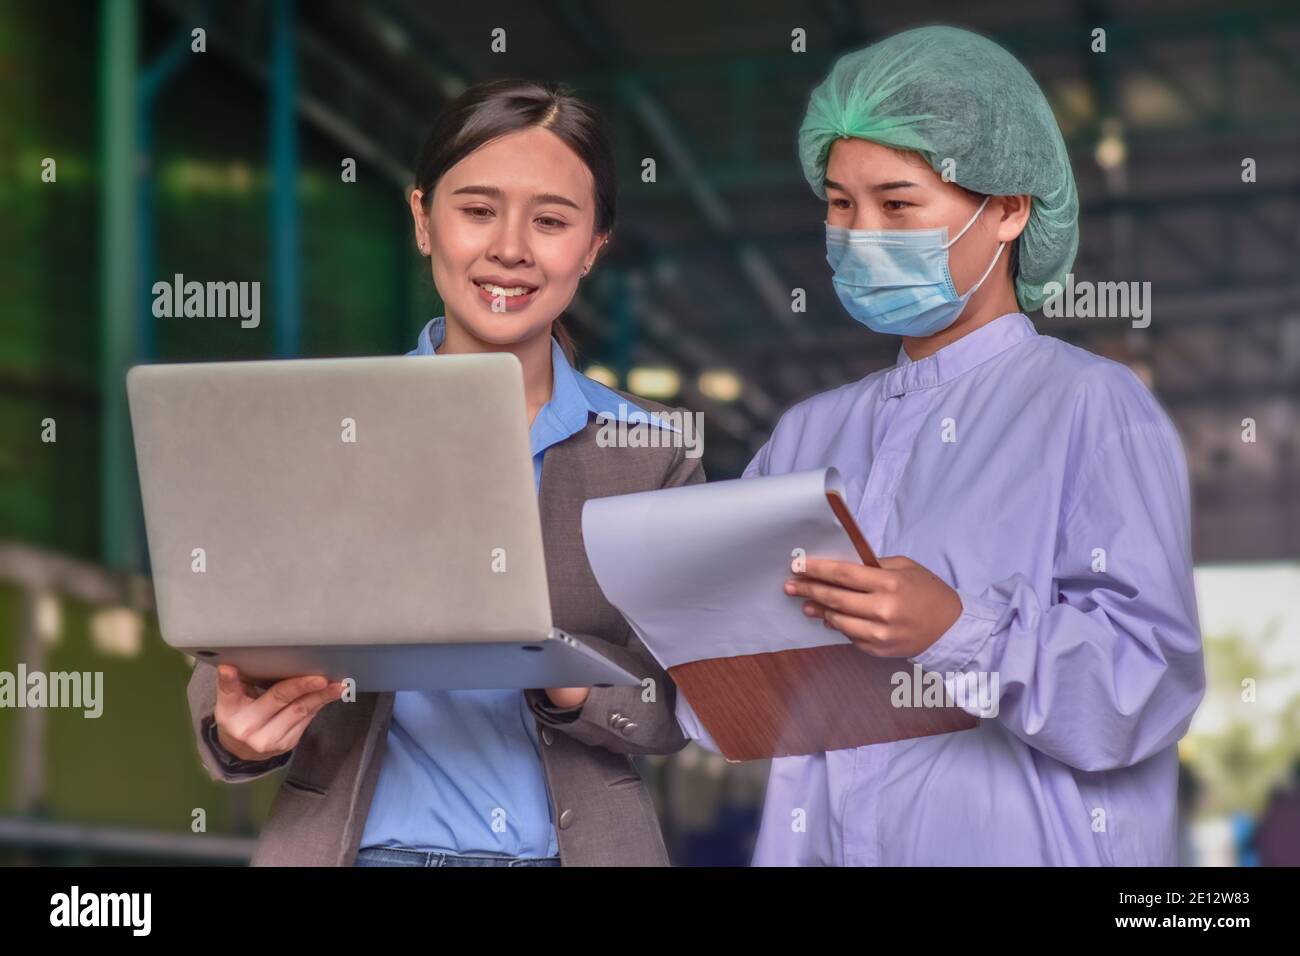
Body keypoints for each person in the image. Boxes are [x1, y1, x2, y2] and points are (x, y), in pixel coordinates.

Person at [677, 25, 1205, 865]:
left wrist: (960, 629)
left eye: (897, 205)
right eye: (840, 205)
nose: (861, 234)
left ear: (1009, 210)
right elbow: (729, 708)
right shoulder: (808, 434)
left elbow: (1143, 690)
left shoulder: (1091, 407)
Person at [187, 78, 700, 867]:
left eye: (552, 221)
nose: (510, 249)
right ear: (424, 220)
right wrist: (235, 733)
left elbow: (680, 704)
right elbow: (225, 649)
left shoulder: (651, 451)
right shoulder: (321, 429)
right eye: (478, 210)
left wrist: (563, 675)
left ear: (595, 245)